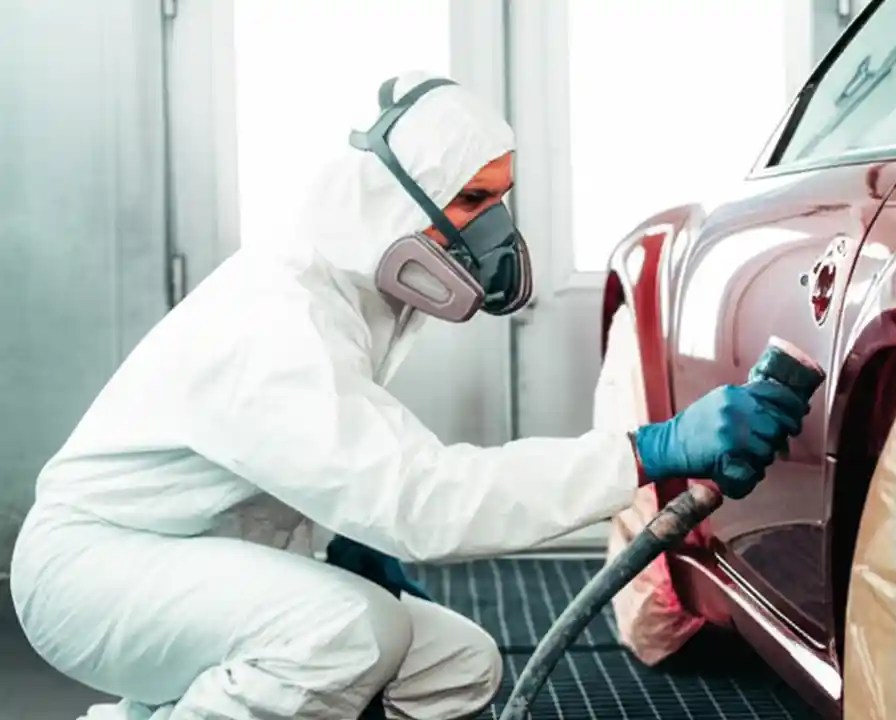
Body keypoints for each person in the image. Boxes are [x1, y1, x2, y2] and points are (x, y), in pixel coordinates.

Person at [9, 71, 811, 720]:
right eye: (469, 202)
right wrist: (649, 449)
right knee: (342, 639)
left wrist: (339, 532)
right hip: (95, 568)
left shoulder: (352, 293)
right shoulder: (276, 319)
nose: (492, 230)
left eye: (499, 198)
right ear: (393, 205)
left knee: (456, 666)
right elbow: (423, 500)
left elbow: (354, 460)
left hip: (205, 549)